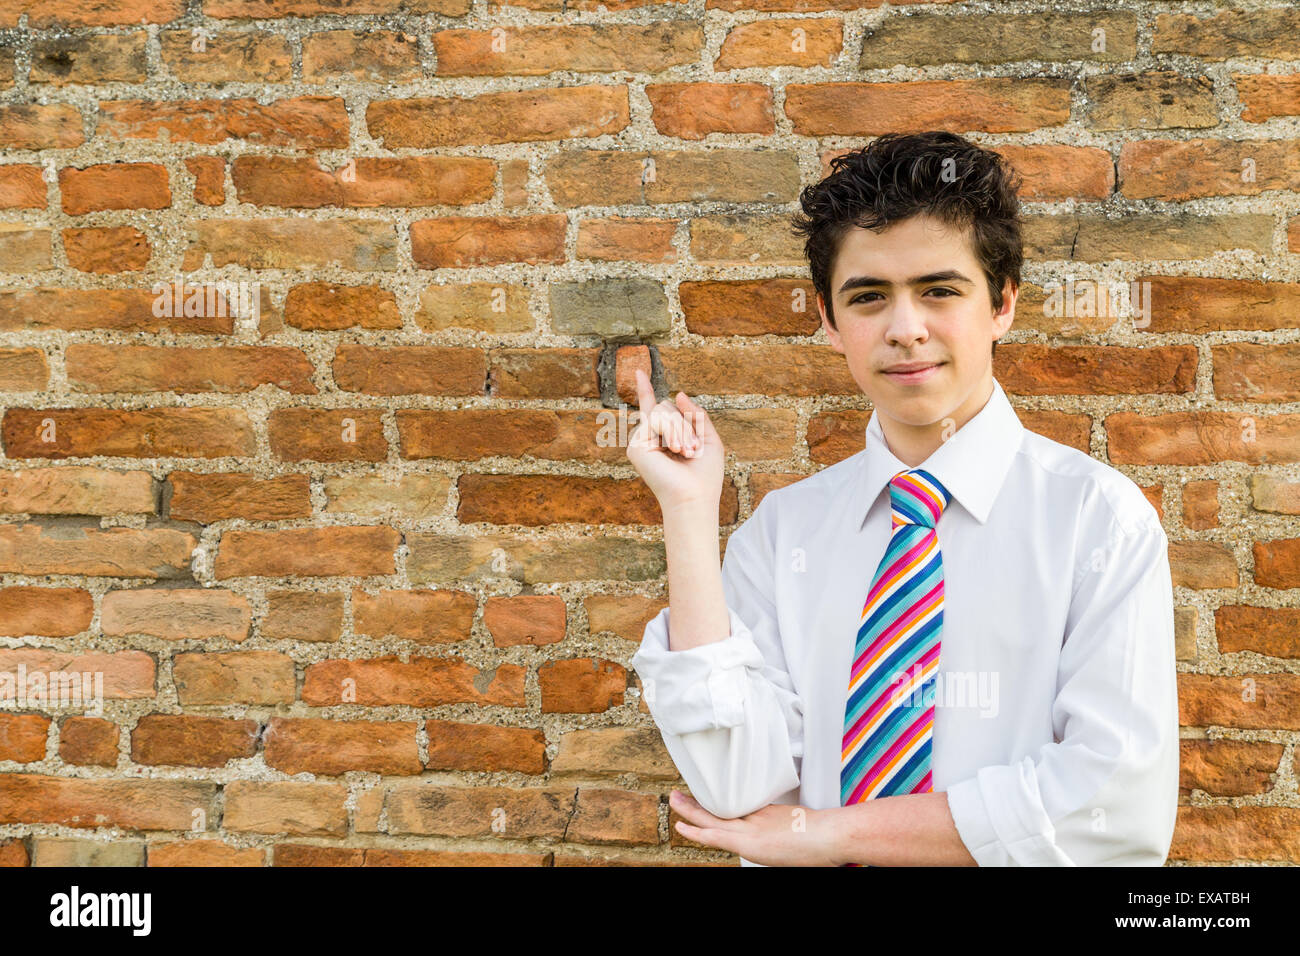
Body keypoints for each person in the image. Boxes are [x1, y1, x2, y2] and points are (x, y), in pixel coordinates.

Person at [626, 131, 1179, 867]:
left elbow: (1116, 808)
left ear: (1003, 303)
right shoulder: (782, 532)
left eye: (940, 290)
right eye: (869, 297)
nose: (905, 329)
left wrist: (833, 834)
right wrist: (689, 514)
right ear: (829, 321)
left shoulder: (1097, 521)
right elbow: (734, 786)